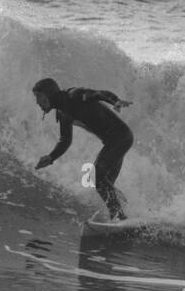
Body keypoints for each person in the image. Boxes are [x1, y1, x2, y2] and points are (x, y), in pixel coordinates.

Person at [32, 78, 134, 220]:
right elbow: (65, 140)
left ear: (49, 94)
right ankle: (127, 216)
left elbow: (98, 94)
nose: (37, 102)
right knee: (106, 184)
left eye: (39, 97)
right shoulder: (62, 113)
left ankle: (119, 217)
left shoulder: (74, 96)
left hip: (120, 137)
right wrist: (51, 157)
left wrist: (115, 101)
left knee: (97, 178)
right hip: (114, 142)